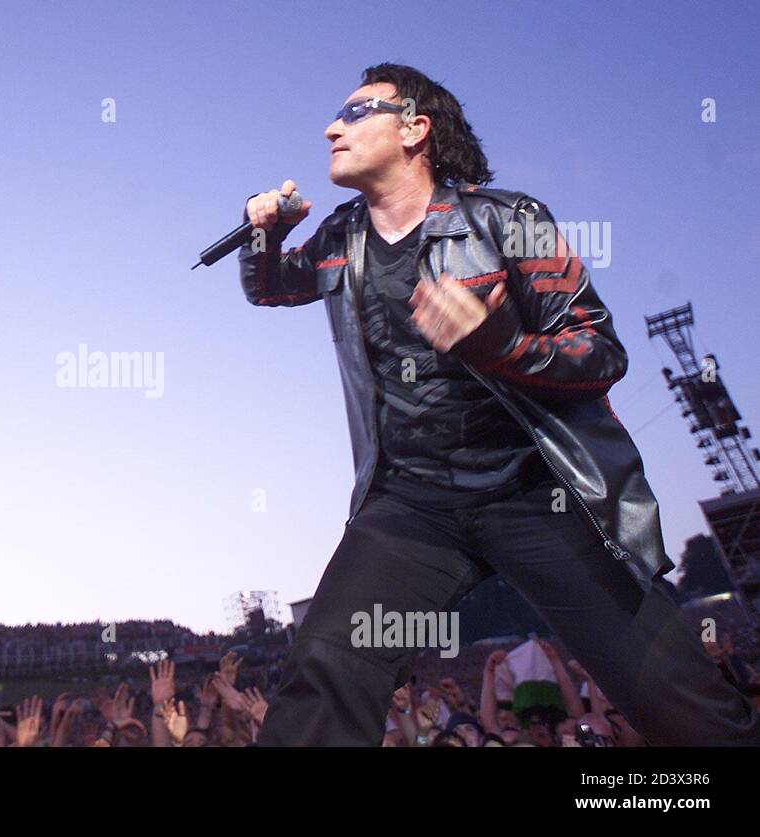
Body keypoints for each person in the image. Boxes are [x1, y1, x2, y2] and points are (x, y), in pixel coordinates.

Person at [239, 62, 760, 746]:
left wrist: (502, 345)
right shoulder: (342, 239)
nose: (332, 126)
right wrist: (264, 233)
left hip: (534, 492)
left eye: (358, 111)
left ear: (415, 130)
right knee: (326, 664)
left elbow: (602, 351)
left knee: (678, 699)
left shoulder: (510, 220)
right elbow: (270, 286)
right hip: (411, 504)